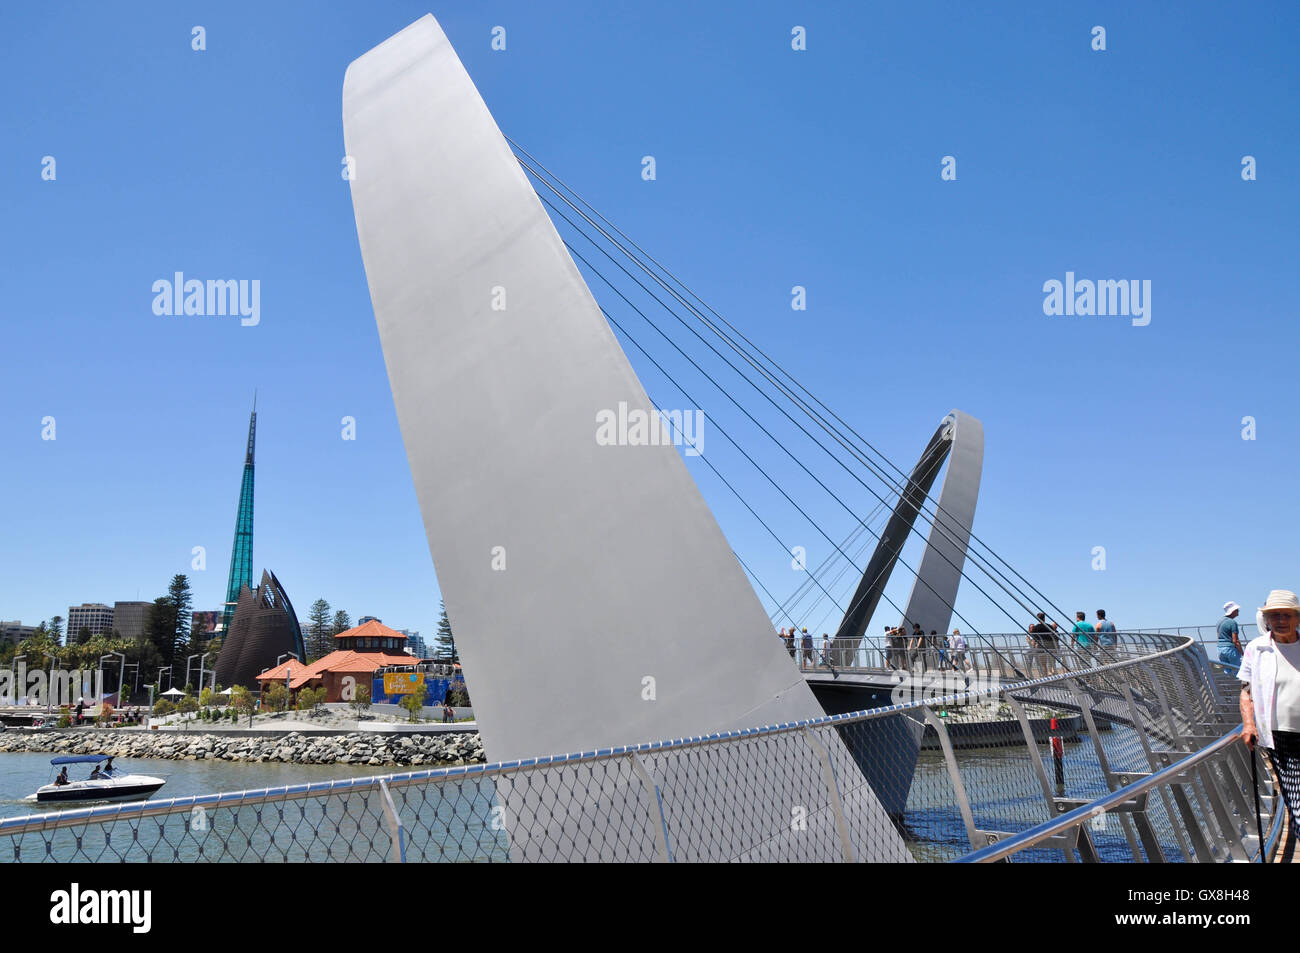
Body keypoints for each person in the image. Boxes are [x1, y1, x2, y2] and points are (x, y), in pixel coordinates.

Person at [1239, 590, 1300, 833]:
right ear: (1266, 620)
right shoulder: (1257, 648)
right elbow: (1246, 691)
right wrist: (1249, 725)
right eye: (1274, 616)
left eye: (1286, 615)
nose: (1280, 621)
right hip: (1280, 736)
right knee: (1296, 798)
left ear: (1297, 618)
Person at [1218, 601, 1245, 673]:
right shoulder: (1232, 623)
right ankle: (1239, 684)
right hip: (1230, 649)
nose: (1238, 611)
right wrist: (1243, 653)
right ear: (1232, 611)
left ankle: (1227, 684)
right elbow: (1235, 641)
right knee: (1238, 671)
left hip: (1220, 649)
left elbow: (1219, 635)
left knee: (1227, 671)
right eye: (1236, 610)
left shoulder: (1219, 621)